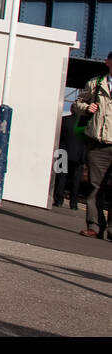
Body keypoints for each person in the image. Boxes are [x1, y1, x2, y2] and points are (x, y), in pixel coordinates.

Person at [75, 51, 112, 238]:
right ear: (108, 62)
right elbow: (76, 104)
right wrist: (86, 107)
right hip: (98, 144)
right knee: (95, 186)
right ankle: (95, 226)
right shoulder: (95, 84)